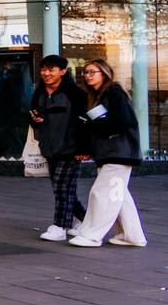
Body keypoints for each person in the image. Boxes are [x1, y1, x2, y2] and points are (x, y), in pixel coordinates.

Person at [69, 60, 147, 248]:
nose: (88, 75)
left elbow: (124, 121)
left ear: (104, 73)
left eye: (92, 72)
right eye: (85, 72)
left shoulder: (114, 92)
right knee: (119, 196)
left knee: (102, 193)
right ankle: (131, 236)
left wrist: (94, 124)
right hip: (110, 152)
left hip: (118, 152)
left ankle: (91, 235)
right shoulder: (98, 96)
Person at [27, 55, 88, 241]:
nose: (46, 73)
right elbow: (33, 116)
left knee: (62, 187)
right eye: (43, 69)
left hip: (71, 148)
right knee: (63, 188)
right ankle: (86, 221)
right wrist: (34, 119)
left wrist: (84, 148)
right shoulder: (39, 93)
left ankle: (60, 226)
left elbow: (85, 122)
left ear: (62, 71)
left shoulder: (75, 93)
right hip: (49, 147)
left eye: (51, 70)